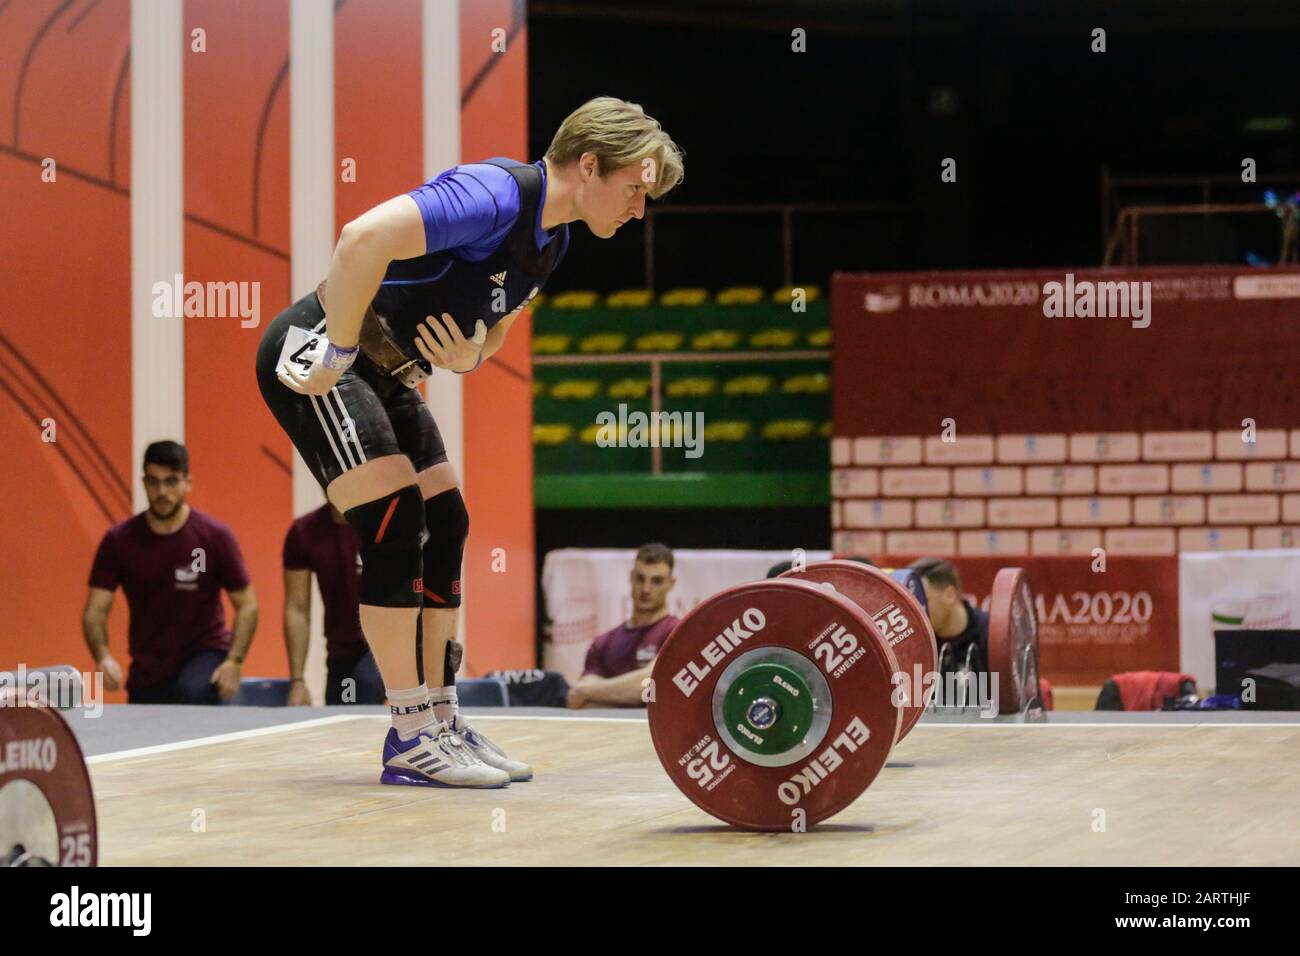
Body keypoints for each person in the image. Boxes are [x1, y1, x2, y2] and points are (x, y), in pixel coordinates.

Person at [255, 97, 684, 787]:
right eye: (636, 189)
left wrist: (470, 356)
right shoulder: (494, 193)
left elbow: (495, 328)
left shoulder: (555, 240)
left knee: (447, 518)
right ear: (590, 163)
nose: (639, 210)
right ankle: (408, 735)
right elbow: (361, 238)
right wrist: (335, 350)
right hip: (317, 351)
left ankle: (441, 719)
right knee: (396, 521)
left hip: (390, 371)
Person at [82, 441, 259, 704]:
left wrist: (234, 660)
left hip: (205, 655)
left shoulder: (214, 536)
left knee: (191, 692)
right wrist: (103, 656)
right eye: (154, 482)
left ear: (188, 483)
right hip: (148, 670)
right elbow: (95, 611)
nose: (162, 491)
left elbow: (247, 605)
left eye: (171, 482)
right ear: (143, 483)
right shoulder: (120, 541)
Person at [282, 503, 384, 705]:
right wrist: (297, 680)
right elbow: (297, 608)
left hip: (385, 647)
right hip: (342, 652)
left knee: (364, 685)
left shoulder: (385, 524)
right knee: (344, 710)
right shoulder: (305, 531)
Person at [568, 543, 679, 708]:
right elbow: (578, 700)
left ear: (671, 583)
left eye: (656, 581)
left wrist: (594, 693)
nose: (646, 589)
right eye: (640, 579)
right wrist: (629, 693)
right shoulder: (604, 642)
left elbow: (651, 684)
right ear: (631, 577)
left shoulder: (678, 632)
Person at [908, 556, 989, 705]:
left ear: (950, 595)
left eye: (921, 601)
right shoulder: (915, 640)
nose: (916, 612)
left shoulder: (992, 635)